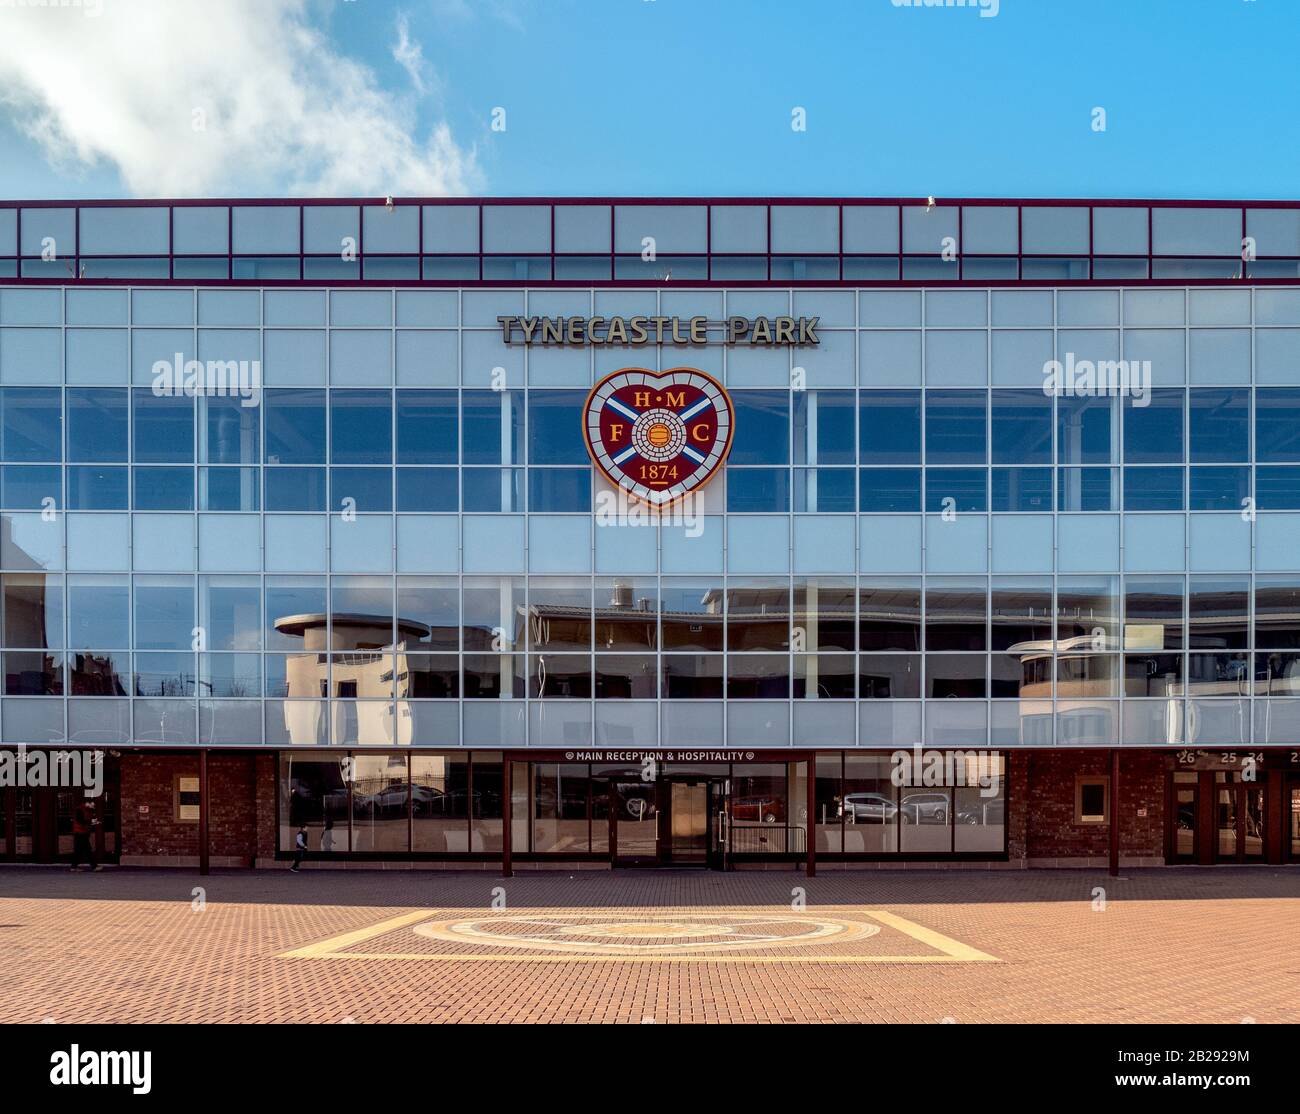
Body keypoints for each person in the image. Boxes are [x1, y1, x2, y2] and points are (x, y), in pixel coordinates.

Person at [70, 801, 100, 872]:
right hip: (80, 833)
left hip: (83, 832)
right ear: (88, 803)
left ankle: (74, 867)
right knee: (87, 850)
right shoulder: (80, 810)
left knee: (79, 850)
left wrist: (92, 822)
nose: (93, 806)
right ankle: (94, 866)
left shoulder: (86, 810)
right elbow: (81, 821)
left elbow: (85, 821)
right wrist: (92, 822)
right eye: (93, 804)